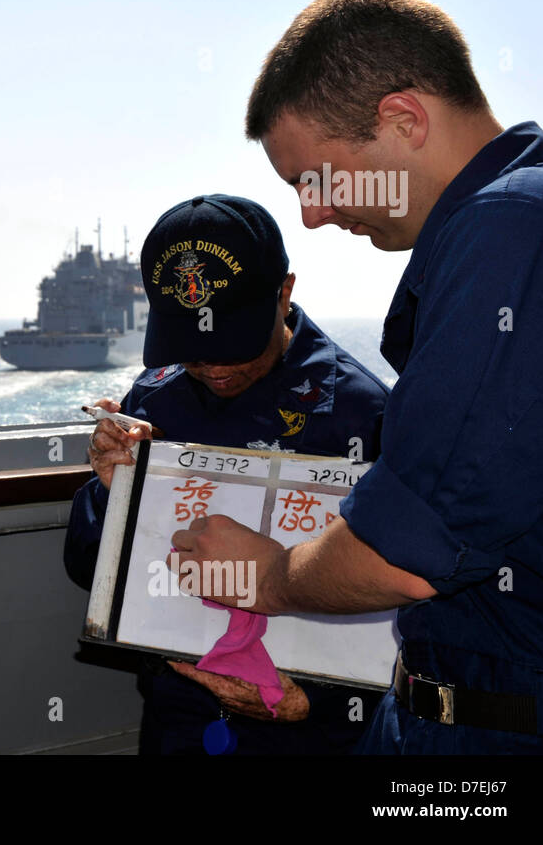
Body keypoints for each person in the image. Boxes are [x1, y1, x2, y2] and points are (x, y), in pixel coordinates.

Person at [178, 0, 543, 754]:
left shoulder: (510, 231)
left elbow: (402, 555)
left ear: (403, 120)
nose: (312, 216)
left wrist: (272, 576)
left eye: (314, 181)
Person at [63, 194, 390, 754]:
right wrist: (113, 492)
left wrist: (318, 702)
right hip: (180, 714)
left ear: (284, 293)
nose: (213, 366)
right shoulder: (154, 400)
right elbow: (87, 568)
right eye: (191, 349)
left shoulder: (361, 415)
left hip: (309, 727)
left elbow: (404, 593)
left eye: (232, 345)